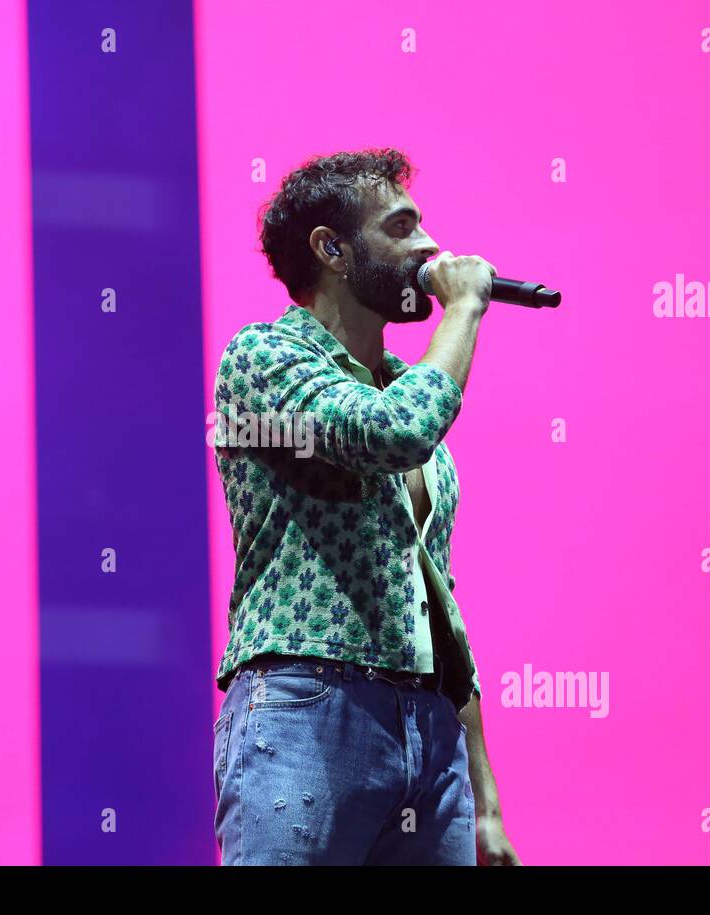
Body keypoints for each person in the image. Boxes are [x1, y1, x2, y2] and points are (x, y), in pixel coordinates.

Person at [210, 147, 520, 865]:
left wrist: (486, 799)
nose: (430, 247)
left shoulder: (409, 380)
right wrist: (465, 306)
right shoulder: (264, 358)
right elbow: (394, 432)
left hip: (428, 727)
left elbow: (435, 596)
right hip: (306, 707)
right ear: (333, 249)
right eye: (402, 227)